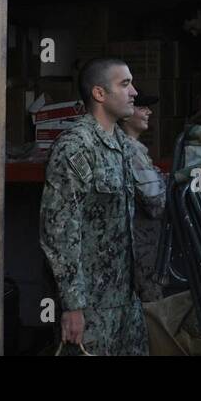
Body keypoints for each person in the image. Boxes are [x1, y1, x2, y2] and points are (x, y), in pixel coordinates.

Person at [39, 57, 148, 355]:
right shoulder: (76, 147)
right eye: (124, 84)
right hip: (91, 308)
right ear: (99, 94)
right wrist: (73, 305)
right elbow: (58, 231)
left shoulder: (121, 146)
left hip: (126, 301)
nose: (134, 92)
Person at [118, 94, 168, 303]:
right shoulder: (132, 151)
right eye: (141, 107)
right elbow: (155, 203)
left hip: (132, 250)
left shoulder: (122, 146)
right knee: (152, 315)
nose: (149, 112)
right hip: (142, 250)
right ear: (126, 115)